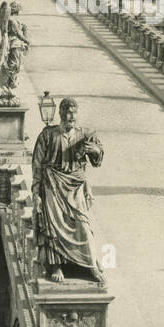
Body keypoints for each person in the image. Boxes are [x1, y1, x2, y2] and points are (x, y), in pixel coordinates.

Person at [31, 97, 104, 284]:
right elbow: (37, 166)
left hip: (75, 187)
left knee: (84, 226)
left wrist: (95, 150)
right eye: (68, 112)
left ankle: (90, 265)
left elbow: (97, 159)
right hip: (52, 185)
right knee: (54, 227)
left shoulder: (84, 134)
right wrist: (36, 193)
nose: (72, 116)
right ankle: (57, 266)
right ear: (61, 114)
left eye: (74, 112)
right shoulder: (48, 135)